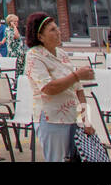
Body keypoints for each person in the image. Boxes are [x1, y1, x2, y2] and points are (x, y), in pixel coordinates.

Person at [24, 12, 94, 161]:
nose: (58, 32)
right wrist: (76, 75)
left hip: (72, 118)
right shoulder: (34, 56)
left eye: (57, 28)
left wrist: (86, 120)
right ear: (40, 37)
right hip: (52, 119)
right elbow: (48, 88)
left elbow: (78, 89)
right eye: (52, 30)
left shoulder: (62, 54)